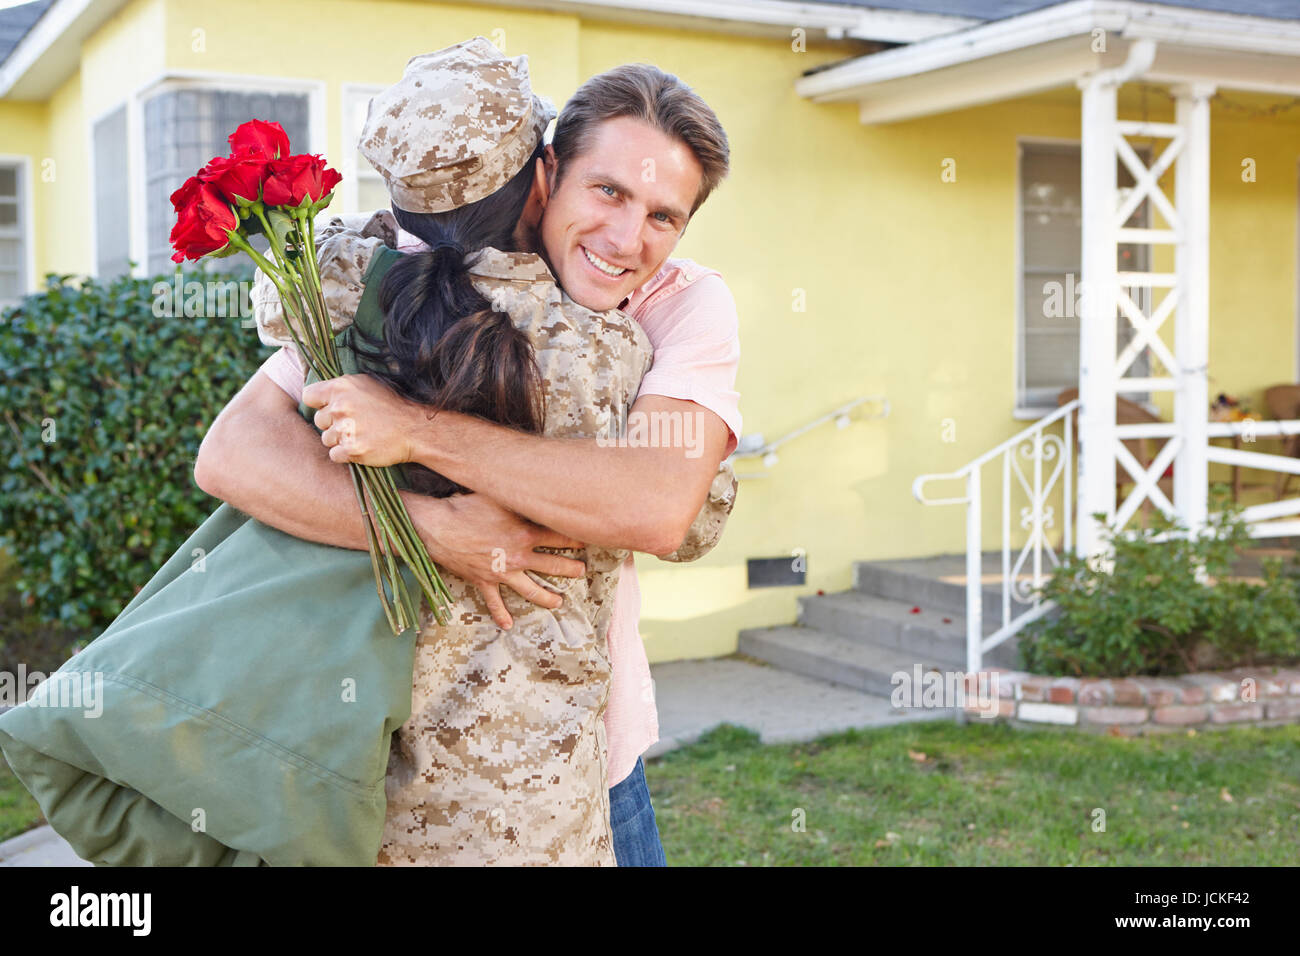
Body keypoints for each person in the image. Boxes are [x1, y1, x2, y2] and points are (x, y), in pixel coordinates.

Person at [196, 56, 741, 866]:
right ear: (545, 173)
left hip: (593, 763)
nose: (627, 240)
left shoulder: (682, 305)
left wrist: (416, 431)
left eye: (664, 215)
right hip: (379, 757)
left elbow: (656, 507)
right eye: (609, 192)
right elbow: (234, 454)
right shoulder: (401, 270)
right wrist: (436, 526)